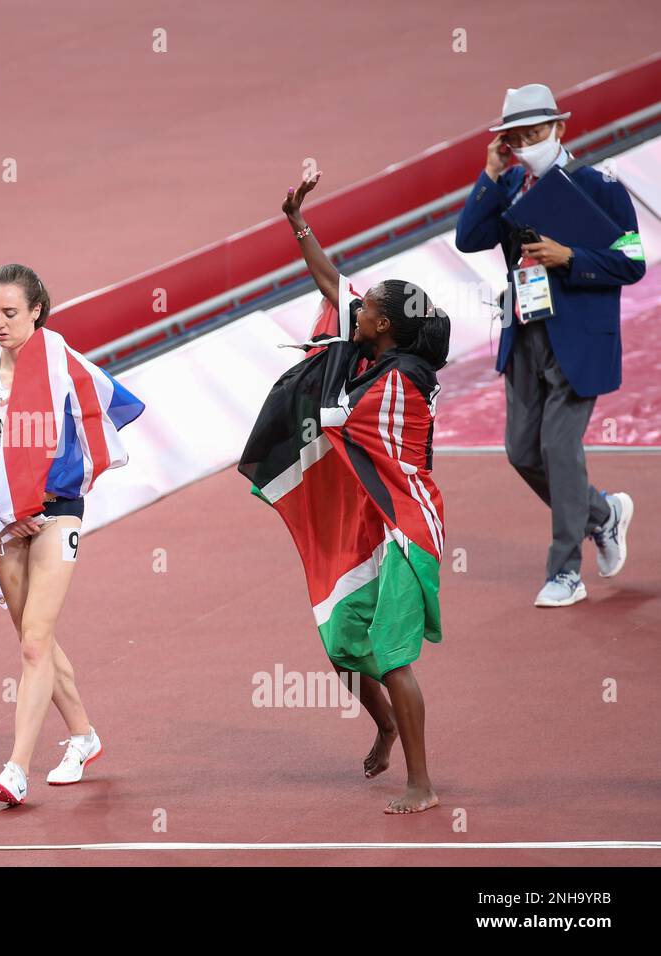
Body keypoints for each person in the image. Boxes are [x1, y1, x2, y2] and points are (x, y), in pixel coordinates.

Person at [239, 171, 450, 814]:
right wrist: (296, 220)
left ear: (383, 324)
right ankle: (383, 724)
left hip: (407, 529)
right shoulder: (382, 347)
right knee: (341, 642)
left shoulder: (401, 385)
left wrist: (327, 355)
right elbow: (333, 281)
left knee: (390, 657)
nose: (352, 311)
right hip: (371, 519)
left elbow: (337, 416)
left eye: (365, 311)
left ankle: (422, 785)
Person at [0, 263, 145, 806]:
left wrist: (39, 497)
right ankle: (84, 736)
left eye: (10, 313)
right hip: (6, 517)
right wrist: (7, 510)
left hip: (57, 511)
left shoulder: (64, 365)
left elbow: (98, 423)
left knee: (36, 639)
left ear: (36, 310)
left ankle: (16, 768)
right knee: (31, 638)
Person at [455, 83, 645, 607]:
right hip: (524, 333)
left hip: (579, 339)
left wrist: (570, 257)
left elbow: (633, 262)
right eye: (516, 137)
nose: (525, 143)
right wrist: (491, 173)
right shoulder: (510, 184)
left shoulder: (599, 185)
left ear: (560, 128)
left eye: (534, 133)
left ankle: (566, 571)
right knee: (522, 450)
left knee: (559, 449)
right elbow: (468, 238)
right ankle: (602, 515)